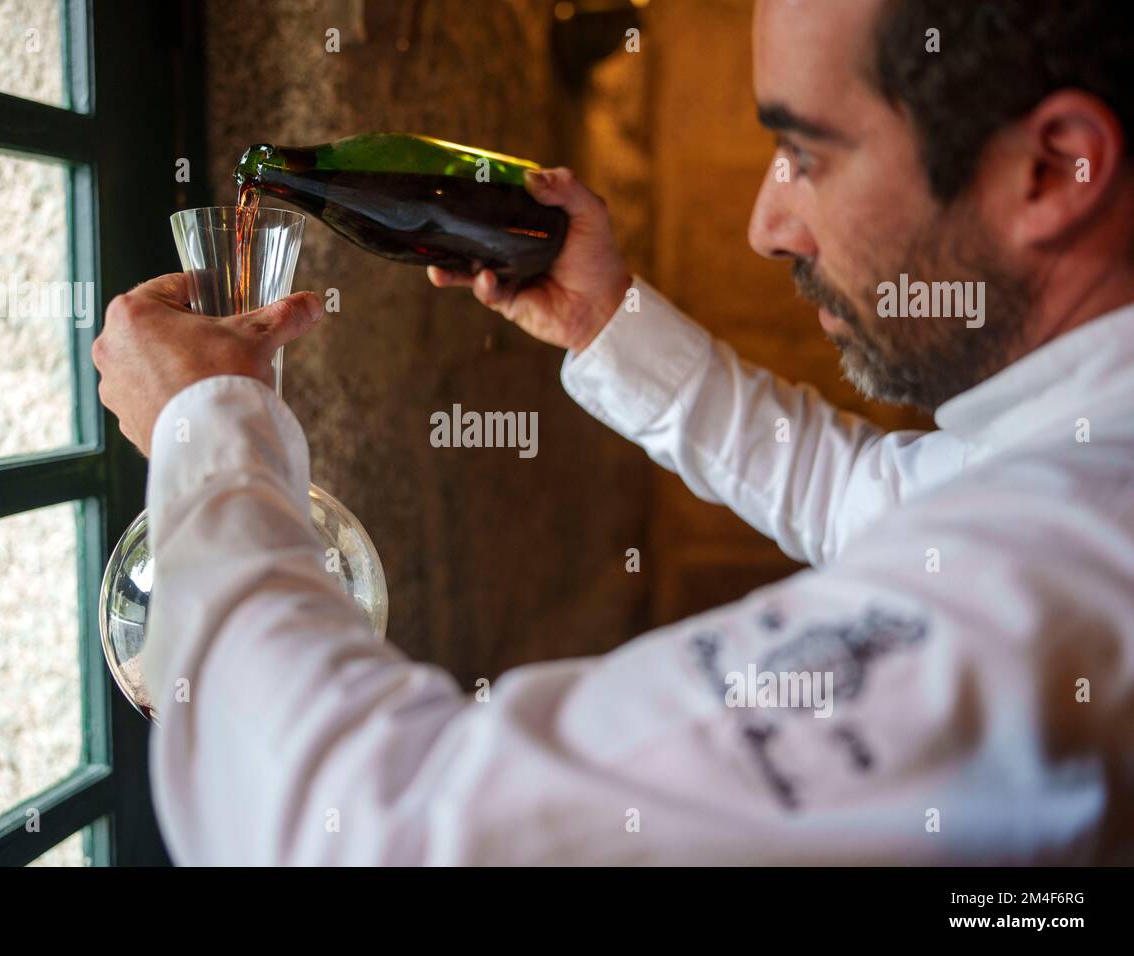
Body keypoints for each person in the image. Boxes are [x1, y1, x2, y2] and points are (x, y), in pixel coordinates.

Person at [92, 0, 1134, 864]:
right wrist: (605, 321)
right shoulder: (1067, 460)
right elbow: (865, 496)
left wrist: (206, 425)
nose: (765, 227)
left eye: (804, 153)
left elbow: (365, 829)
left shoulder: (1054, 575)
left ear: (1052, 171)